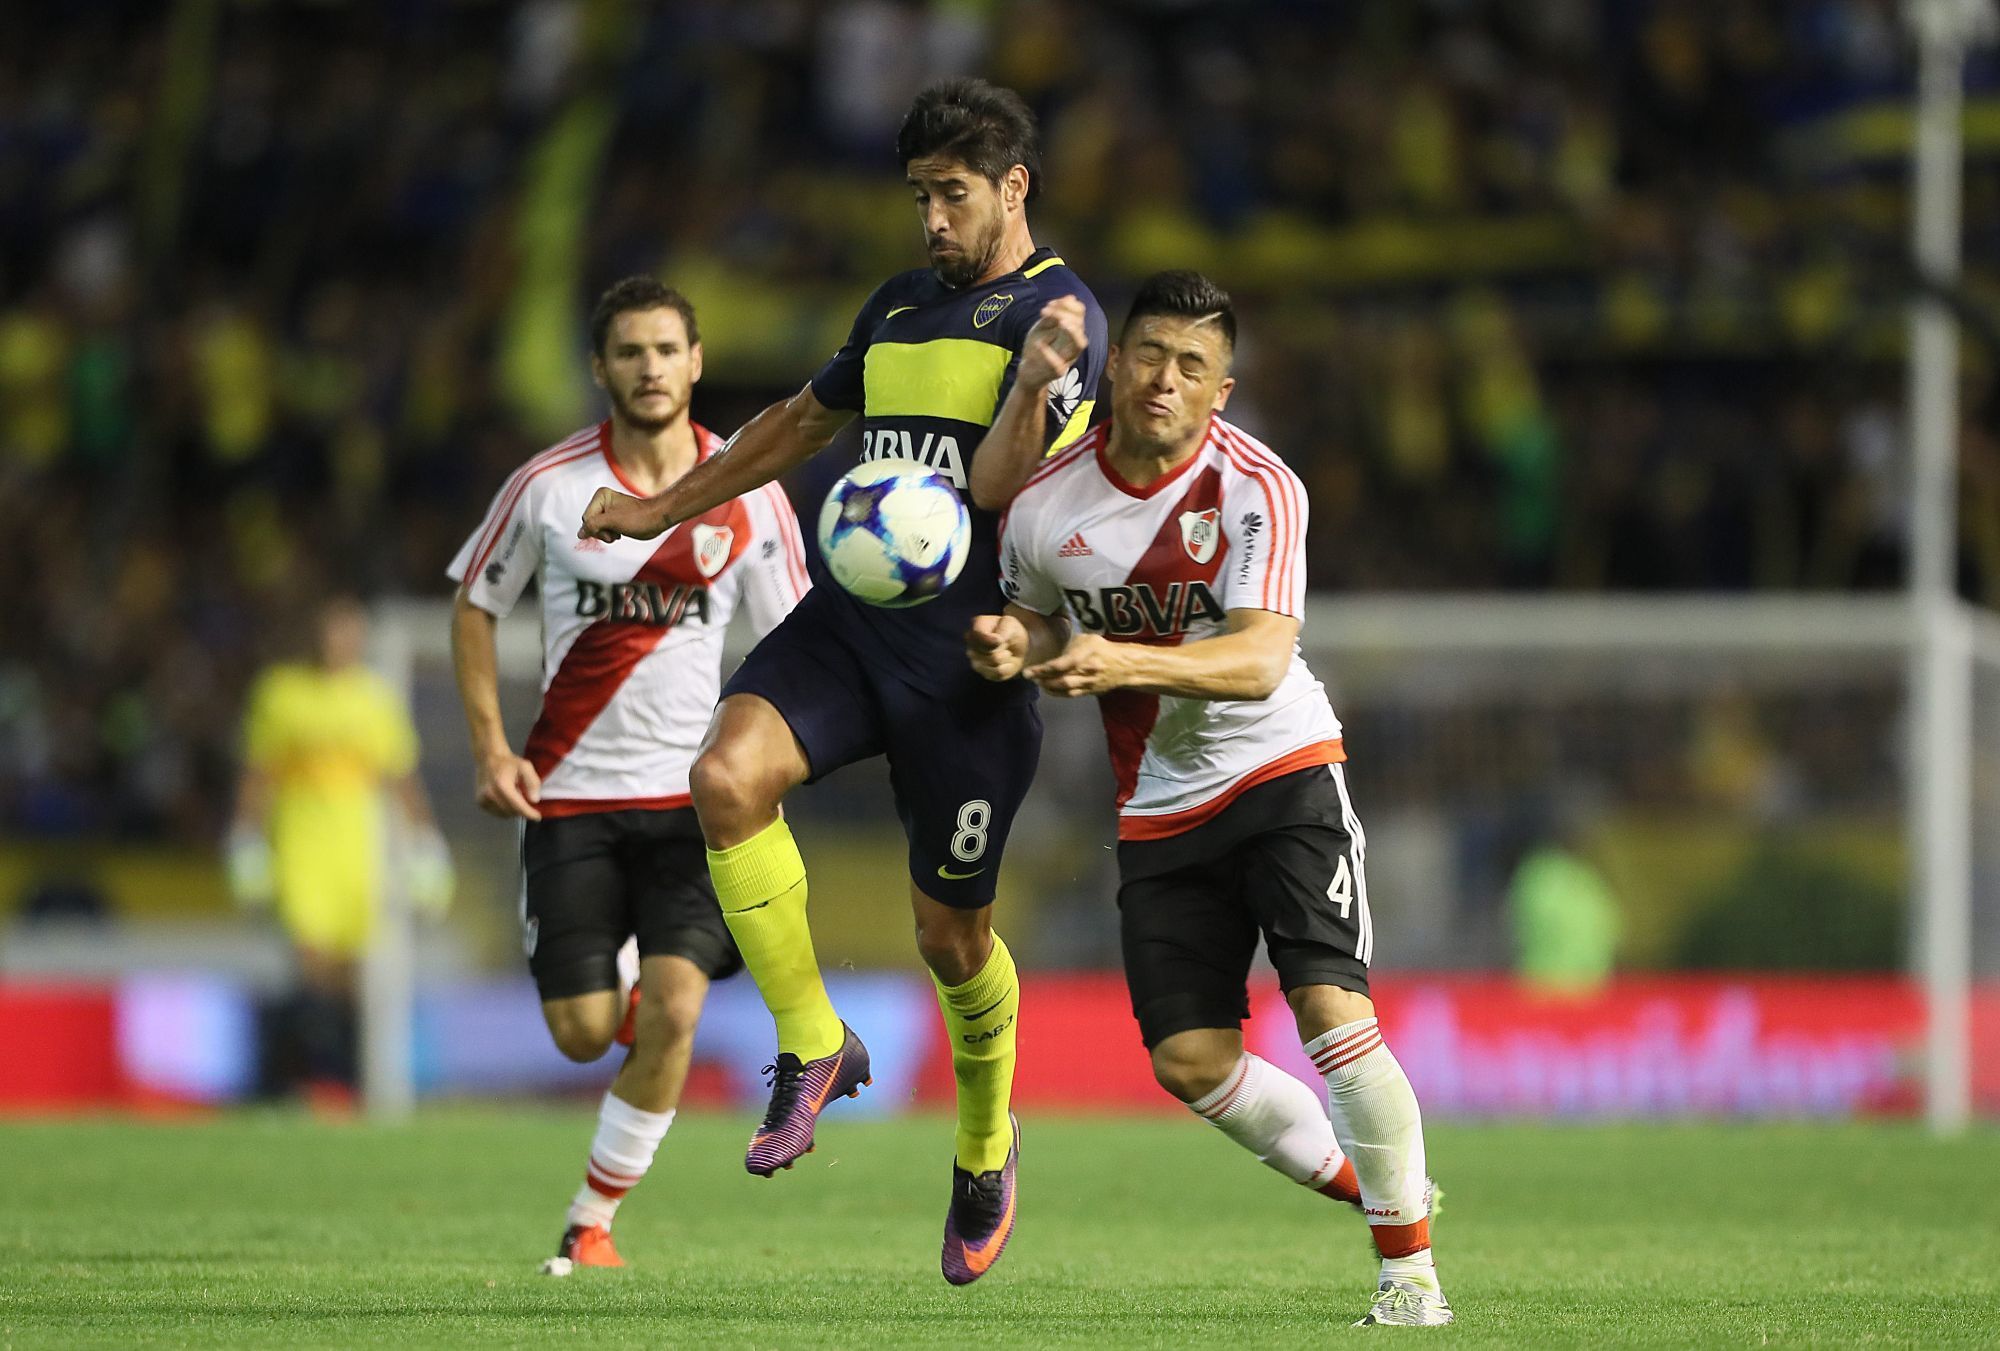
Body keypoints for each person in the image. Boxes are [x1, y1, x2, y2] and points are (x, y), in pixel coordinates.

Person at [578, 78, 1106, 1285]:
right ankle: (811, 1043)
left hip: (970, 663)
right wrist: (661, 507)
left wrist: (1030, 382)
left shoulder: (1063, 314)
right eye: (919, 195)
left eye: (951, 195)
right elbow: (795, 424)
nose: (930, 219)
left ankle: (984, 1147)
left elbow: (996, 495)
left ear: (1011, 189)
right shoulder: (898, 308)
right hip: (854, 624)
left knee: (950, 939)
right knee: (724, 776)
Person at [968, 271, 1452, 1327]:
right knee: (1189, 1060)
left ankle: (1409, 1278)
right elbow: (1041, 621)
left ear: (1219, 390)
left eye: (1192, 366)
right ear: (1113, 363)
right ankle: (1380, 1190)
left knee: (1329, 1011)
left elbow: (1259, 661)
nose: (1164, 379)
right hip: (1156, 804)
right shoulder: (1048, 502)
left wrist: (1113, 658)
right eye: (1148, 354)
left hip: (1280, 773)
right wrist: (1020, 641)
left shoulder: (1257, 488)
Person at [448, 277, 810, 1274]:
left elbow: (791, 637)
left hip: (693, 802)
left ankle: (590, 1220)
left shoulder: (751, 490)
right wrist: (489, 746)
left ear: (696, 362)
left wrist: (771, 759)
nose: (650, 368)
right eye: (629, 352)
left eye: (666, 349)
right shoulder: (548, 487)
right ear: (600, 368)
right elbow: (475, 605)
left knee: (680, 1008)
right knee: (580, 1033)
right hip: (566, 797)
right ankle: (624, 993)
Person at [229, 595, 452, 1108]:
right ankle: (285, 1079)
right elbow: (260, 771)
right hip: (300, 843)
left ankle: (341, 1080)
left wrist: (424, 843)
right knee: (311, 959)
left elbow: (400, 776)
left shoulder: (373, 698)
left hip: (359, 848)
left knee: (352, 971)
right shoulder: (282, 693)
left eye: (348, 633)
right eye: (332, 632)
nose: (339, 643)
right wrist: (245, 837)